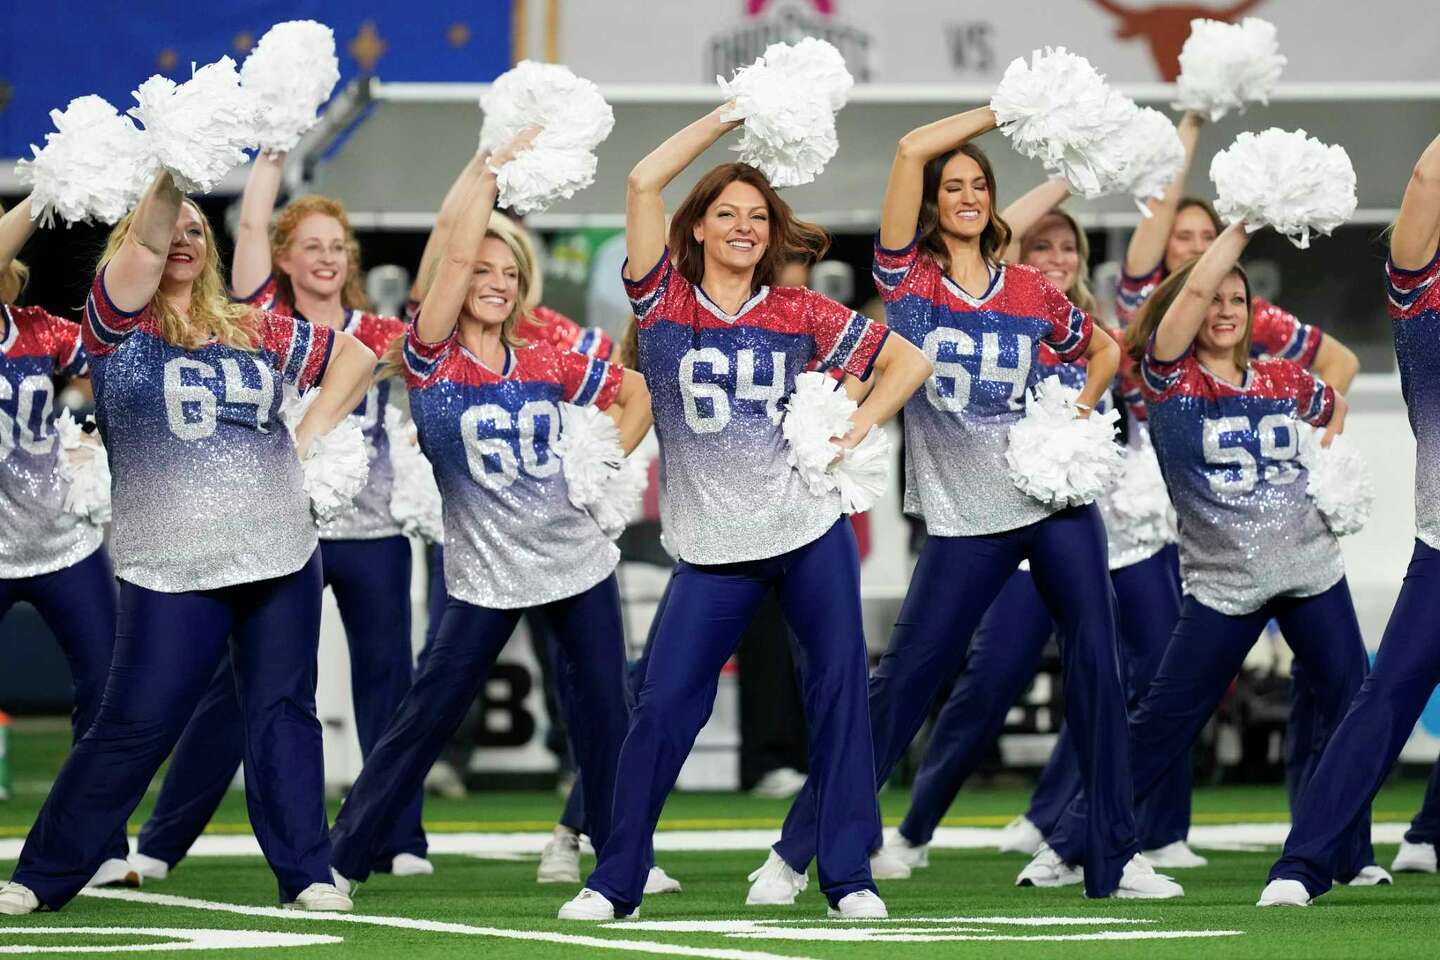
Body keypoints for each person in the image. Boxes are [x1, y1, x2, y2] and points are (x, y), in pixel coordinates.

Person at [754, 103, 1170, 903]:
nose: (969, 196)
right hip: (961, 516)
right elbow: (911, 145)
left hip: (1050, 503)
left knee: (1098, 666)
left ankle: (1112, 856)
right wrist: (1004, 111)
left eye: (980, 184)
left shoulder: (1029, 289)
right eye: (954, 186)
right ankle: (795, 850)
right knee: (905, 682)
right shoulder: (905, 282)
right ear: (933, 204)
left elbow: (1106, 349)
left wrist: (1072, 417)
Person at [558, 104, 932, 922]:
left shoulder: (797, 311)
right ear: (694, 229)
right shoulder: (661, 304)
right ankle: (615, 878)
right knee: (663, 707)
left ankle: (847, 877)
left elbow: (907, 358)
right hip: (714, 547)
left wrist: (858, 423)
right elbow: (642, 178)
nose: (743, 227)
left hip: (806, 533)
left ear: (771, 236)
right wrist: (731, 119)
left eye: (758, 217)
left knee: (838, 694)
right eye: (725, 213)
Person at [0, 168, 377, 916]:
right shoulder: (113, 327)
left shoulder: (253, 325)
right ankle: (42, 876)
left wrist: (305, 436)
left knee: (283, 712)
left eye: (196, 230)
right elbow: (146, 232)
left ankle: (306, 872)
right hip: (170, 560)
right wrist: (171, 173)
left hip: (280, 550)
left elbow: (355, 358)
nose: (182, 237)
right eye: (171, 228)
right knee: (135, 721)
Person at [327, 133, 653, 898]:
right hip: (484, 574)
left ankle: (617, 865)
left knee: (606, 716)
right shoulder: (434, 356)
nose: (498, 282)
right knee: (423, 720)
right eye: (483, 269)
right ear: (453, 278)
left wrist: (607, 459)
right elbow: (456, 241)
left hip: (577, 561)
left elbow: (633, 394)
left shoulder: (546, 359)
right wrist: (488, 170)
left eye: (511, 274)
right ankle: (341, 862)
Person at [1022, 218, 1376, 894]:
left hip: (1312, 569)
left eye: (1237, 302)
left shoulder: (1280, 377)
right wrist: (1238, 229)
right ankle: (1069, 843)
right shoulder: (1171, 382)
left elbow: (1333, 404)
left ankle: (1347, 854)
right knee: (1163, 723)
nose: (1224, 311)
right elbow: (1185, 307)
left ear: (1251, 314)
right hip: (1223, 584)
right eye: (1212, 299)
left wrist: (1328, 472)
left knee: (1353, 705)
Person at [128, 151, 430, 883]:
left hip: (375, 531)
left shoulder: (378, 330)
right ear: (284, 259)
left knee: (388, 687)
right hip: (278, 534)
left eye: (338, 247)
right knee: (234, 694)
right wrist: (272, 154)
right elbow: (253, 217)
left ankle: (396, 837)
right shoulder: (262, 320)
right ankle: (163, 843)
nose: (326, 258)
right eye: (311, 246)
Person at [881, 183, 1195, 872]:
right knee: (990, 679)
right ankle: (913, 827)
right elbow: (982, 237)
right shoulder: (999, 303)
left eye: (1067, 246)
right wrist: (1060, 171)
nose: (1053, 256)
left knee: (1119, 674)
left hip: (1095, 523)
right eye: (1040, 243)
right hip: (1001, 527)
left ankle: (1072, 823)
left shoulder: (1096, 321)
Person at [1259, 130, 1440, 907]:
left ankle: (1428, 834)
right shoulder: (1423, 308)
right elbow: (1428, 174)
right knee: (1386, 696)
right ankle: (1301, 864)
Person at [0, 196, 128, 887]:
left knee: (111, 688)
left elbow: (109, 362)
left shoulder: (38, 330)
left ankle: (98, 842)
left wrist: (100, 431)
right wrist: (43, 191)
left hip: (60, 541)